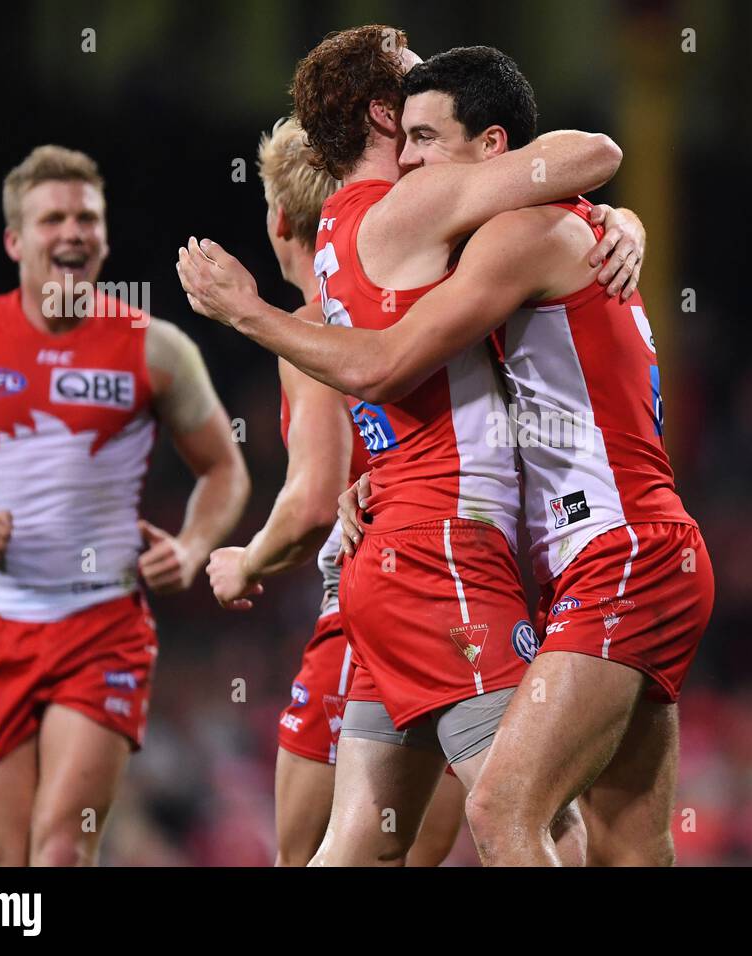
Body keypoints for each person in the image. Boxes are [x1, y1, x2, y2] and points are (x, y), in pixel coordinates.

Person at [180, 45, 711, 866]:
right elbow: (591, 162)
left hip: (607, 549)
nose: (419, 162)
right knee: (601, 840)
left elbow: (390, 362)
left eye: (433, 139)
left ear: (495, 151)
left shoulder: (504, 237)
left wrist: (253, 316)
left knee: (493, 819)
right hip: (493, 550)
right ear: (380, 116)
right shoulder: (471, 231)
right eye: (412, 135)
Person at [0, 145, 249, 865]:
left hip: (103, 627)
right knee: (12, 862)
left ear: (106, 238)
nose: (73, 232)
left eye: (87, 218)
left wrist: (190, 544)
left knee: (61, 848)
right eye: (52, 218)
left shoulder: (157, 349)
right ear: (15, 241)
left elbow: (225, 471)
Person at [204, 117, 464, 866]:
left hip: (365, 619)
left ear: (280, 217)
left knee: (308, 857)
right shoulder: (430, 308)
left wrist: (245, 563)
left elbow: (315, 503)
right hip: (462, 603)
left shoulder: (313, 328)